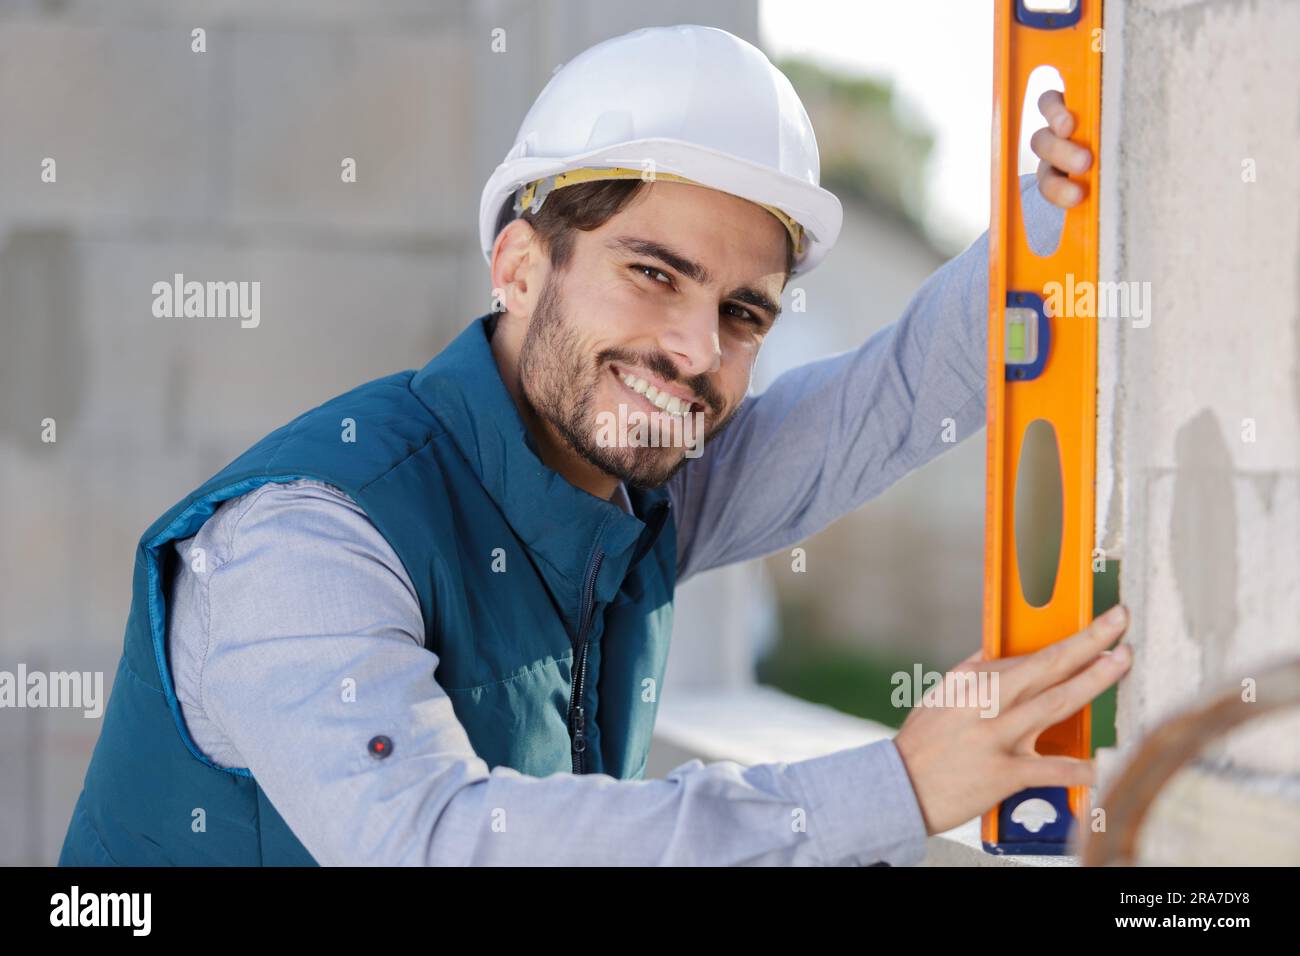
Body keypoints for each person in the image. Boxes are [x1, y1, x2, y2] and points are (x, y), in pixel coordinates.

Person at [59, 23, 1128, 866]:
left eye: (743, 313)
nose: (694, 349)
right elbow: (435, 840)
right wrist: (895, 787)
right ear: (520, 265)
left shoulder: (639, 486)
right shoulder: (302, 541)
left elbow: (893, 396)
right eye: (653, 273)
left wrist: (1055, 210)